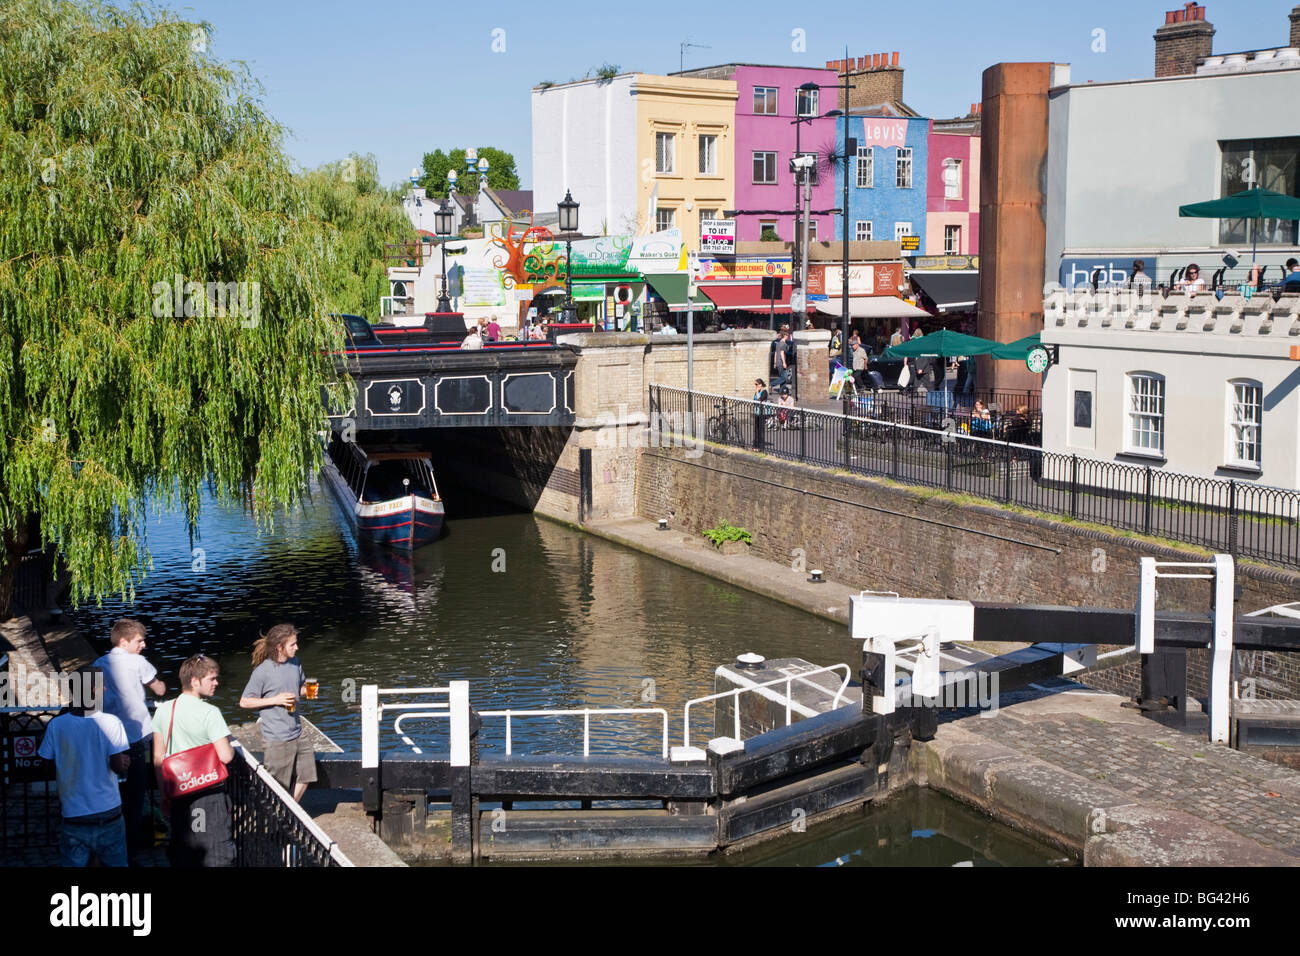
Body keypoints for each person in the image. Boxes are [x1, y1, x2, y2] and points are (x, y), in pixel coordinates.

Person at [38, 666, 130, 867]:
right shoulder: (111, 723)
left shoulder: (57, 725)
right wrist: (123, 762)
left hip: (73, 812)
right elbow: (117, 767)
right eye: (102, 685)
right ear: (94, 690)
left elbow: (45, 763)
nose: (105, 688)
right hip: (108, 810)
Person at [152, 654, 235, 867]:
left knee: (185, 850)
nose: (216, 683)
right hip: (208, 793)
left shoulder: (163, 710)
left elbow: (158, 758)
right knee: (214, 851)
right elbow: (226, 756)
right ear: (194, 681)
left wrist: (164, 795)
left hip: (179, 791)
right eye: (211, 679)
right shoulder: (210, 712)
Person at [94, 618, 166, 862]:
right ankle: (130, 851)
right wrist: (160, 684)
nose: (143, 645)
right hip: (134, 736)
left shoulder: (99, 663)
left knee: (111, 793)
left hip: (107, 738)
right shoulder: (138, 662)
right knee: (135, 797)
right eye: (139, 640)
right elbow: (160, 690)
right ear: (124, 642)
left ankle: (108, 846)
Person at [240, 624, 316, 802]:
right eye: (293, 645)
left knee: (307, 775)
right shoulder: (262, 672)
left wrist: (307, 691)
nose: (297, 647)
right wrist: (276, 699)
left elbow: (299, 688)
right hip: (276, 737)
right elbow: (244, 701)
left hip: (297, 731)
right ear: (279, 647)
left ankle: (290, 809)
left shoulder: (295, 662)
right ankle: (278, 818)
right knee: (277, 786)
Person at [751, 378, 770, 450]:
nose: (755, 386)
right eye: (755, 385)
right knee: (756, 430)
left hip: (762, 413)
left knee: (760, 430)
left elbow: (759, 400)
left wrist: (757, 392)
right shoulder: (756, 392)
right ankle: (755, 446)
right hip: (756, 412)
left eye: (756, 384)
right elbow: (754, 401)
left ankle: (761, 446)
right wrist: (756, 392)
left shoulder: (764, 392)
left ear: (760, 385)